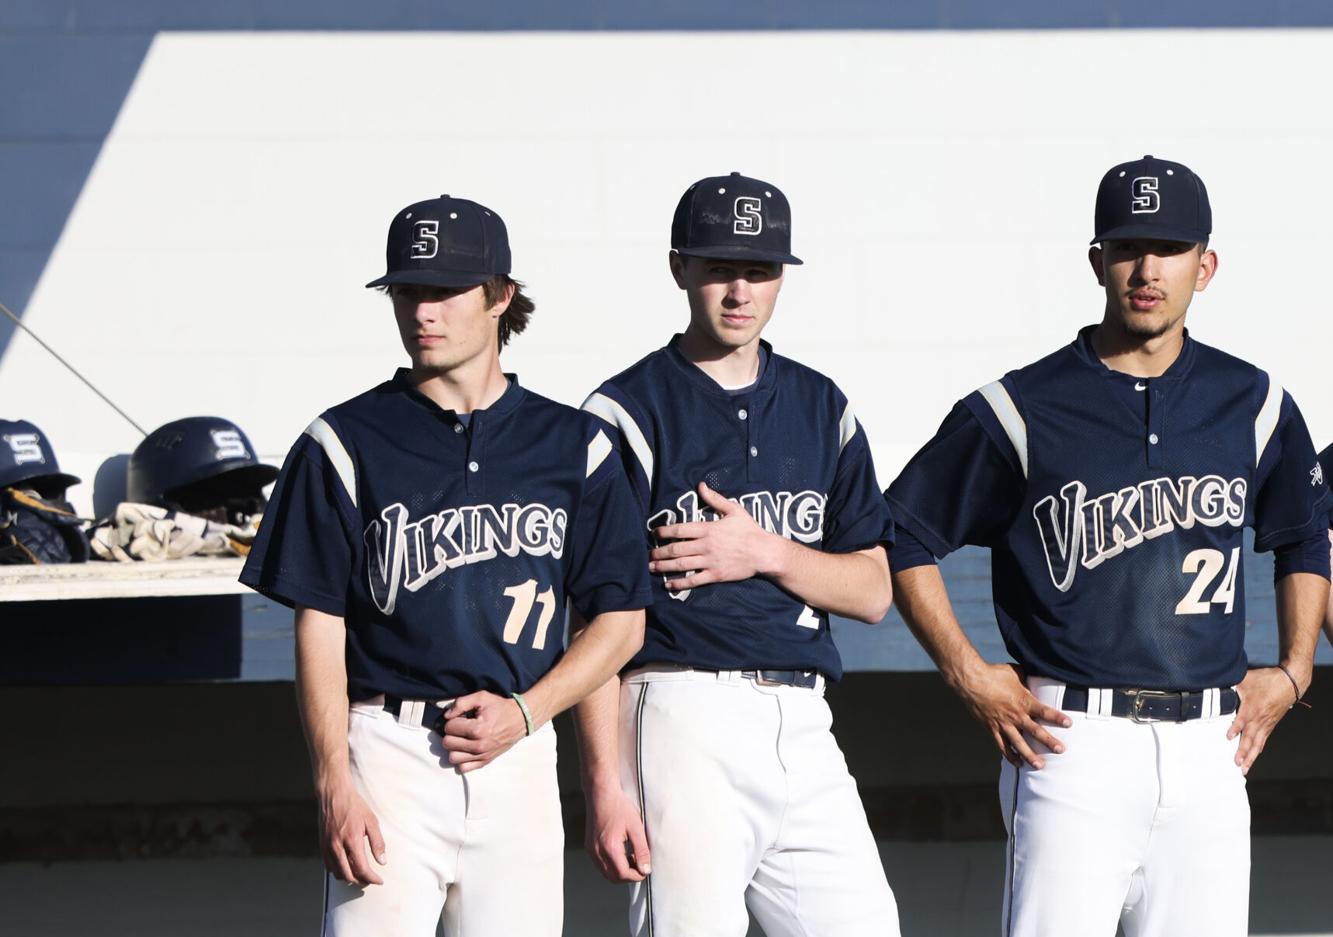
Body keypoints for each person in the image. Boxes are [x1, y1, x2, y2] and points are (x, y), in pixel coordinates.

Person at [885, 155, 1332, 937]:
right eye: (1127, 247)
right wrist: (966, 671)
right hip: (1071, 741)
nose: (1147, 268)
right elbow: (901, 534)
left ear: (1207, 264)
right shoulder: (1021, 405)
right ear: (1097, 260)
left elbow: (1302, 538)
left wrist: (1294, 671)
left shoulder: (1253, 402)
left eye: (1169, 248)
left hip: (1210, 744)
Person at [239, 194, 650, 937]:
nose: (422, 310)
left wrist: (531, 714)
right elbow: (319, 621)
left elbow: (617, 624)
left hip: (517, 752)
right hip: (388, 749)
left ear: (501, 297)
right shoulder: (342, 441)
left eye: (444, 290)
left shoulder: (575, 445)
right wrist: (334, 778)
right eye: (407, 290)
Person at [576, 172, 900, 937]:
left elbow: (872, 590)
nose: (738, 290)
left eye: (758, 269)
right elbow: (592, 614)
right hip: (682, 706)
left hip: (803, 716)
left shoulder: (823, 404)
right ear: (678, 267)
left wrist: (764, 550)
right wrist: (605, 782)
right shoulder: (624, 410)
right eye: (719, 266)